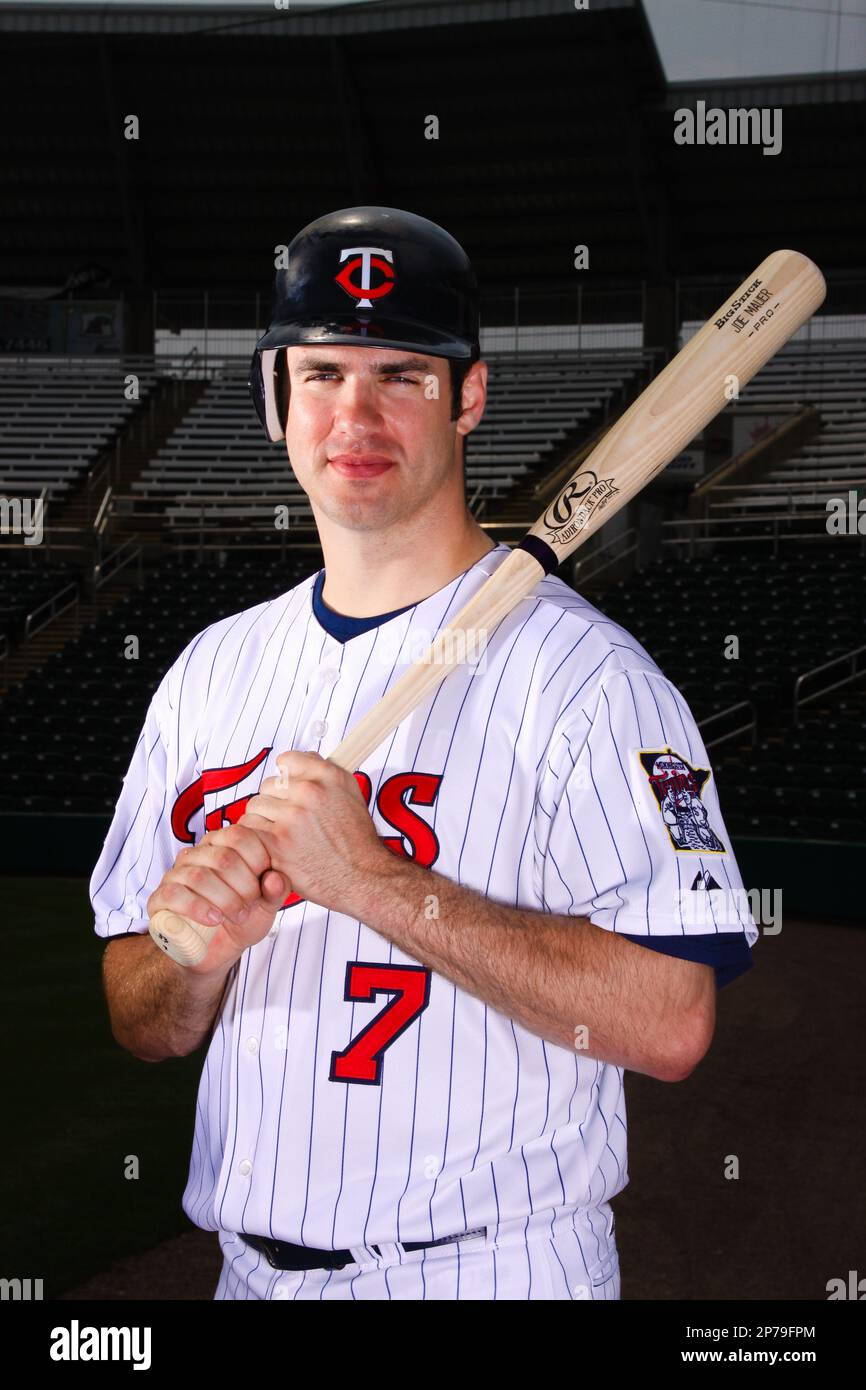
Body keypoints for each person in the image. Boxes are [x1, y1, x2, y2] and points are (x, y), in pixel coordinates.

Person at [92, 207, 757, 1301]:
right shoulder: (209, 672)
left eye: (401, 375)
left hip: (486, 1273)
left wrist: (371, 881)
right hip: (245, 1276)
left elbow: (671, 1021)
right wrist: (192, 962)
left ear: (469, 398)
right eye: (321, 375)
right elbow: (139, 1014)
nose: (355, 413)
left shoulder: (588, 680)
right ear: (276, 395)